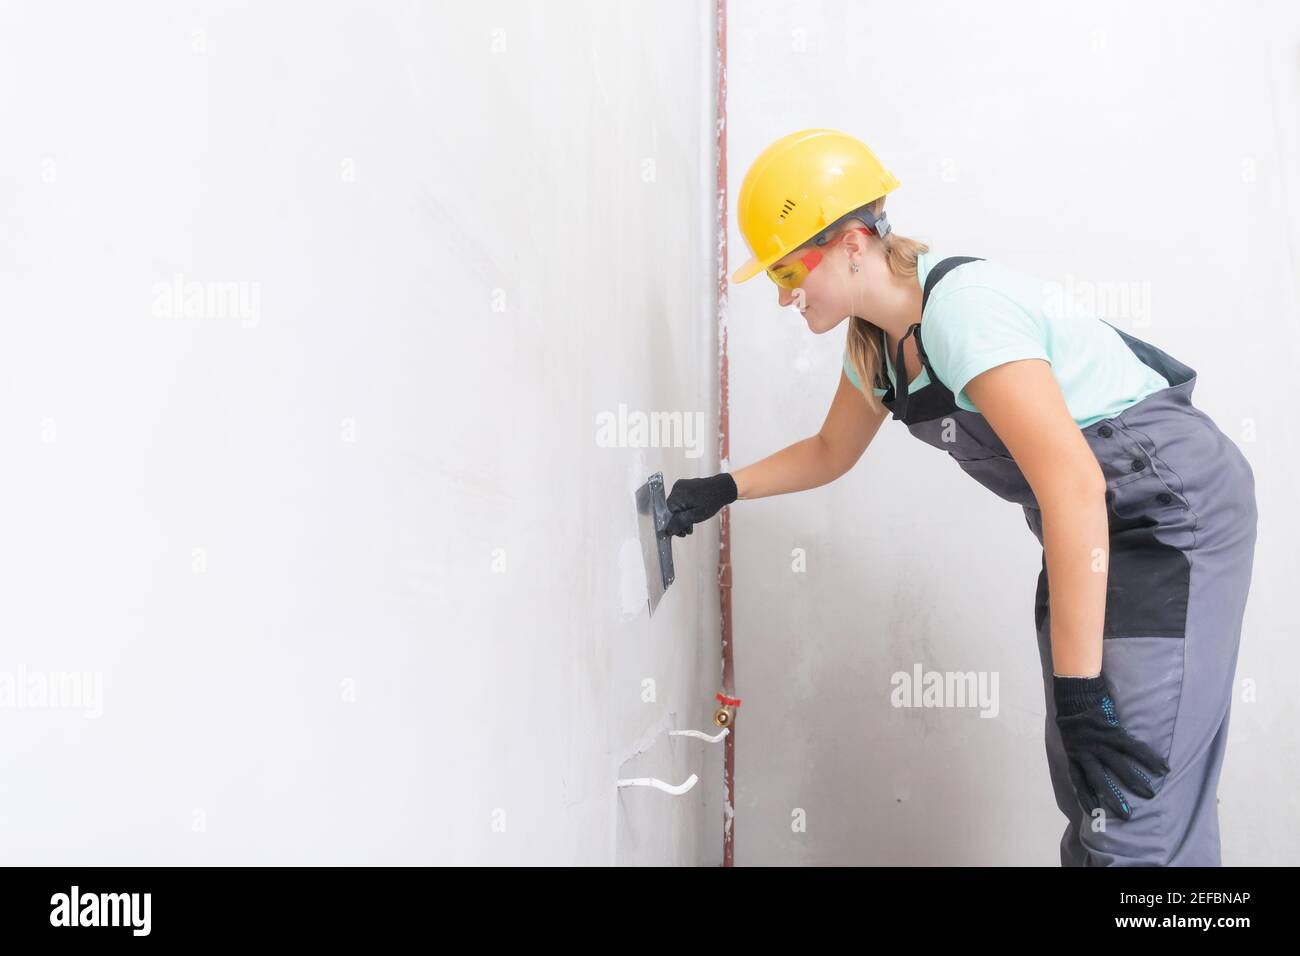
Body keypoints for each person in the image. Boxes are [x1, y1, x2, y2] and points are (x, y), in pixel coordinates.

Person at [665, 128, 1259, 866]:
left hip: (1167, 518)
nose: (786, 295)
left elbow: (1073, 483)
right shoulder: (878, 350)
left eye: (788, 269)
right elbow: (829, 452)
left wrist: (1080, 691)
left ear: (852, 242)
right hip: (1091, 528)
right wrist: (722, 489)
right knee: (1094, 785)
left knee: (1130, 803)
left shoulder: (962, 310)